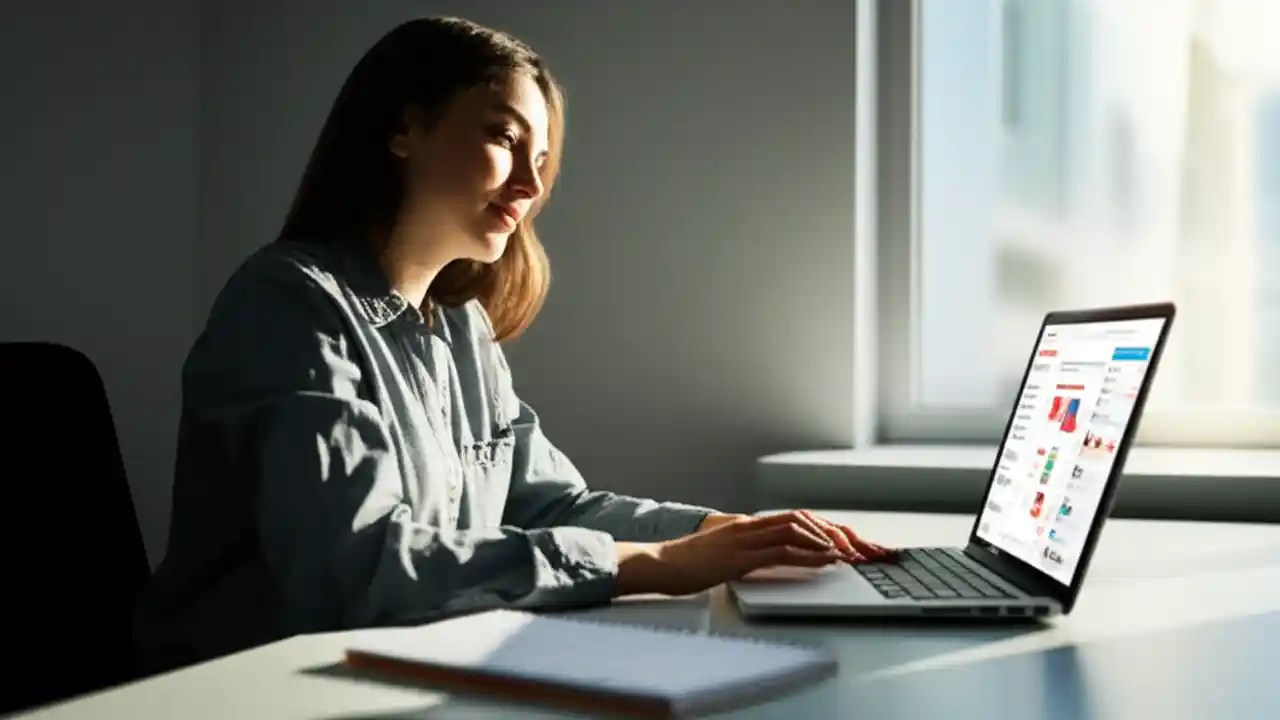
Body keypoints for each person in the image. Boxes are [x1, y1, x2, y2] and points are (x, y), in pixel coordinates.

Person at [133, 16, 896, 674]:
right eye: (504, 137)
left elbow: (545, 502)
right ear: (403, 129)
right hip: (249, 688)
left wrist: (715, 533)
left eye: (541, 159)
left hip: (393, 670)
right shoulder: (288, 305)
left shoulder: (458, 323)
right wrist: (654, 566)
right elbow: (357, 570)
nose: (530, 185)